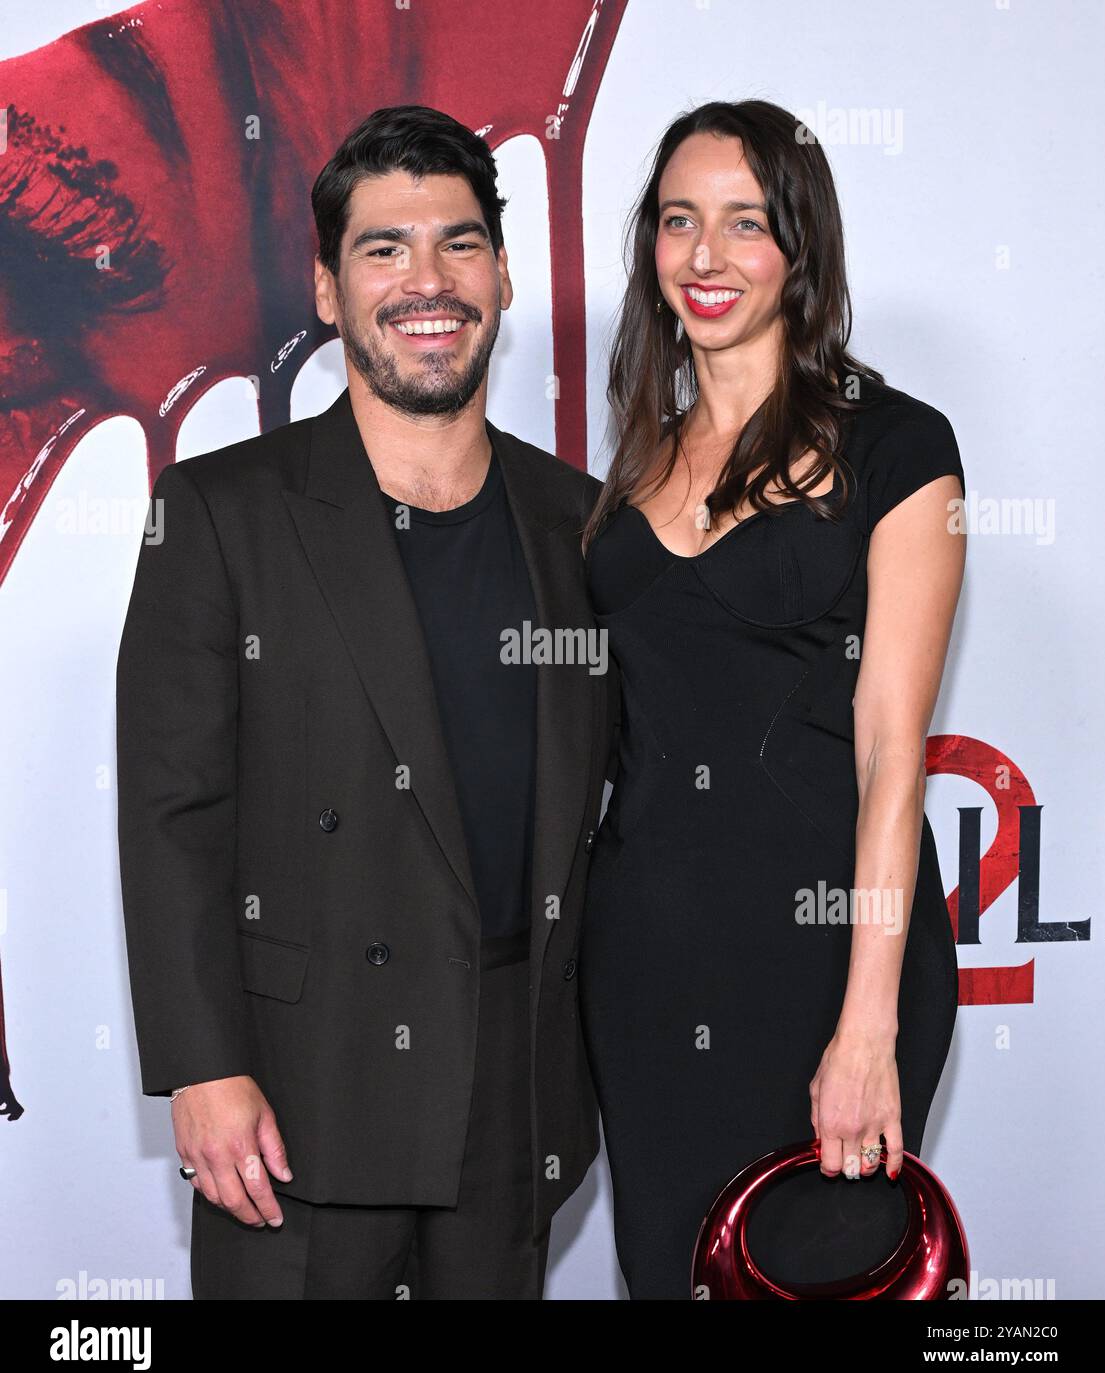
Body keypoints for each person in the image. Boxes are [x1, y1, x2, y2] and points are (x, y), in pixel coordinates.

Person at [116, 105, 617, 1300]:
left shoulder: (583, 524)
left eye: (457, 243)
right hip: (295, 1092)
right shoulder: (221, 511)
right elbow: (172, 811)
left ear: (500, 270)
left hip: (513, 1090)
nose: (426, 282)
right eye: (383, 248)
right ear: (329, 292)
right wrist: (203, 1068)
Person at [579, 99, 966, 1299]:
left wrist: (865, 1027)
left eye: (746, 224)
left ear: (800, 247)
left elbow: (891, 754)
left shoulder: (900, 448)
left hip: (821, 961)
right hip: (645, 961)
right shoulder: (633, 462)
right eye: (679, 221)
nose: (706, 256)